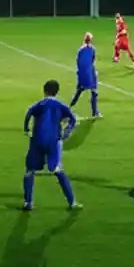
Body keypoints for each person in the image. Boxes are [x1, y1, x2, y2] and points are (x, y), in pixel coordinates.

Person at [22, 79, 81, 211]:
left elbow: (29, 113)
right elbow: (73, 119)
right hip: (53, 141)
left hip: (37, 140)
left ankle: (28, 202)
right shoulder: (61, 105)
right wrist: (67, 132)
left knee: (29, 171)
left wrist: (26, 129)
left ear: (44, 90)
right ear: (57, 91)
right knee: (57, 169)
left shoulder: (39, 104)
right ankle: (72, 202)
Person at [69, 32, 101, 118]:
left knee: (78, 91)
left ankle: (69, 108)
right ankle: (95, 112)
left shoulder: (81, 50)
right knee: (94, 92)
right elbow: (92, 60)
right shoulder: (92, 49)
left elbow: (78, 61)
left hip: (82, 73)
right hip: (89, 74)